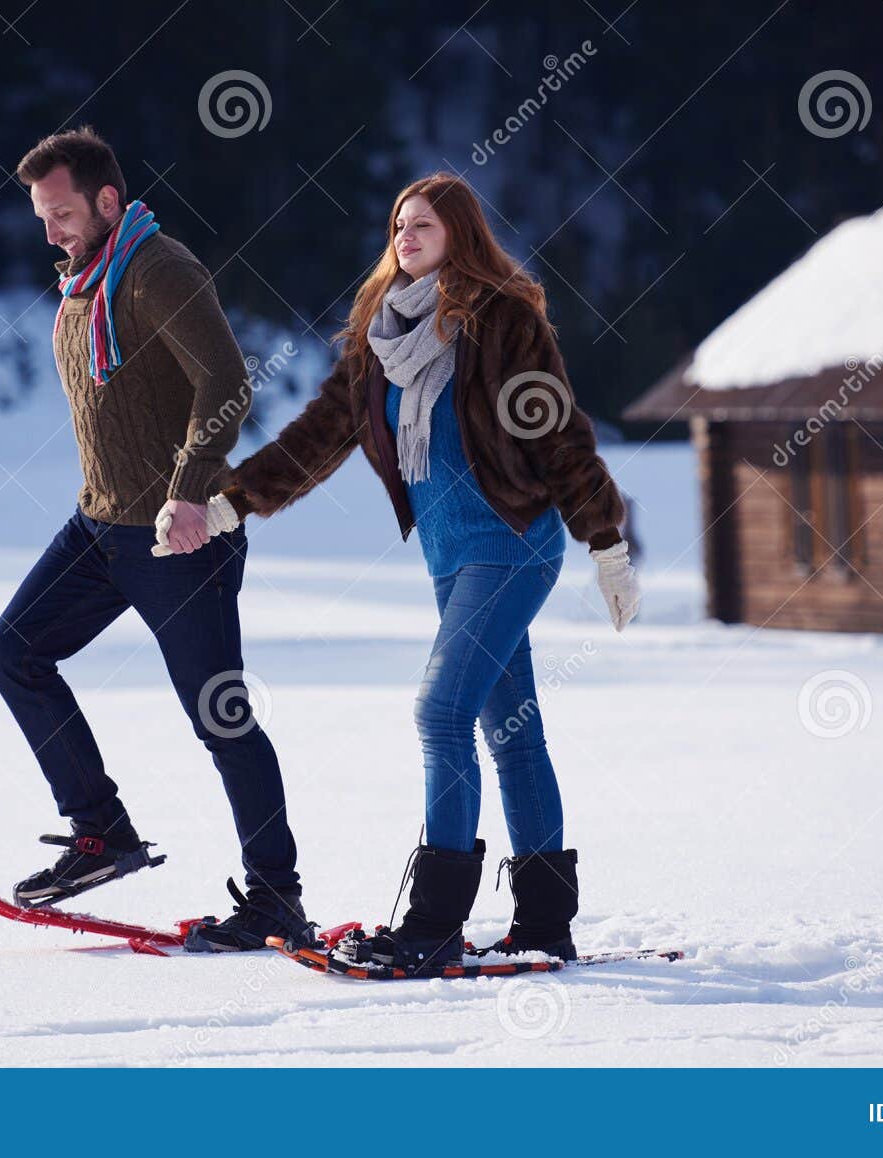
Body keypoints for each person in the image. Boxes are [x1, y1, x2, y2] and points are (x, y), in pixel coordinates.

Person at [155, 172, 640, 972]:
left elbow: (558, 434)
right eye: (397, 225)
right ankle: (546, 925)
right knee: (511, 733)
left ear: (461, 235)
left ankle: (432, 924)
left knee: (439, 714)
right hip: (451, 559)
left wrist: (606, 542)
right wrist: (230, 503)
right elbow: (319, 436)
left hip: (512, 545)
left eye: (423, 224)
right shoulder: (379, 337)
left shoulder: (501, 321)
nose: (405, 236)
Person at [0, 125, 314, 953]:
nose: (49, 232)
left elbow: (228, 384)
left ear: (106, 200)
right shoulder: (82, 283)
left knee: (220, 718)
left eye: (60, 213)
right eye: (40, 217)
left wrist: (191, 490)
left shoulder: (157, 269)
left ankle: (278, 898)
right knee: (14, 652)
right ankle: (102, 832)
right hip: (99, 527)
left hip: (178, 538)